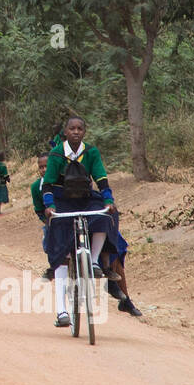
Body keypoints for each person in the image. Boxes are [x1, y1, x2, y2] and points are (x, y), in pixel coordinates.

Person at [42, 115, 141, 325]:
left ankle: (95, 260)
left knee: (107, 215)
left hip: (85, 198)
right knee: (60, 250)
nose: (76, 132)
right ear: (65, 133)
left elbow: (101, 178)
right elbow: (48, 184)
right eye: (72, 129)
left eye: (80, 129)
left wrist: (108, 199)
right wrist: (49, 206)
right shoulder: (57, 153)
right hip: (62, 200)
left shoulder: (91, 152)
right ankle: (61, 311)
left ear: (84, 132)